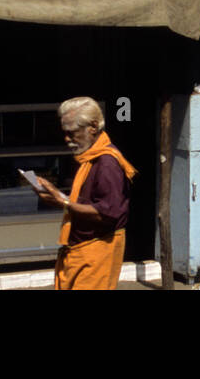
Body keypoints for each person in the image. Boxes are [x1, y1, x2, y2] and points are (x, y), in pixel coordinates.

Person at [36, 97, 137, 291]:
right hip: (80, 250)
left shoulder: (107, 163)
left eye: (72, 133)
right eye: (64, 133)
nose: (67, 139)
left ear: (92, 127)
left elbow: (107, 213)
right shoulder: (88, 159)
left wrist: (63, 203)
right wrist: (56, 193)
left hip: (96, 251)